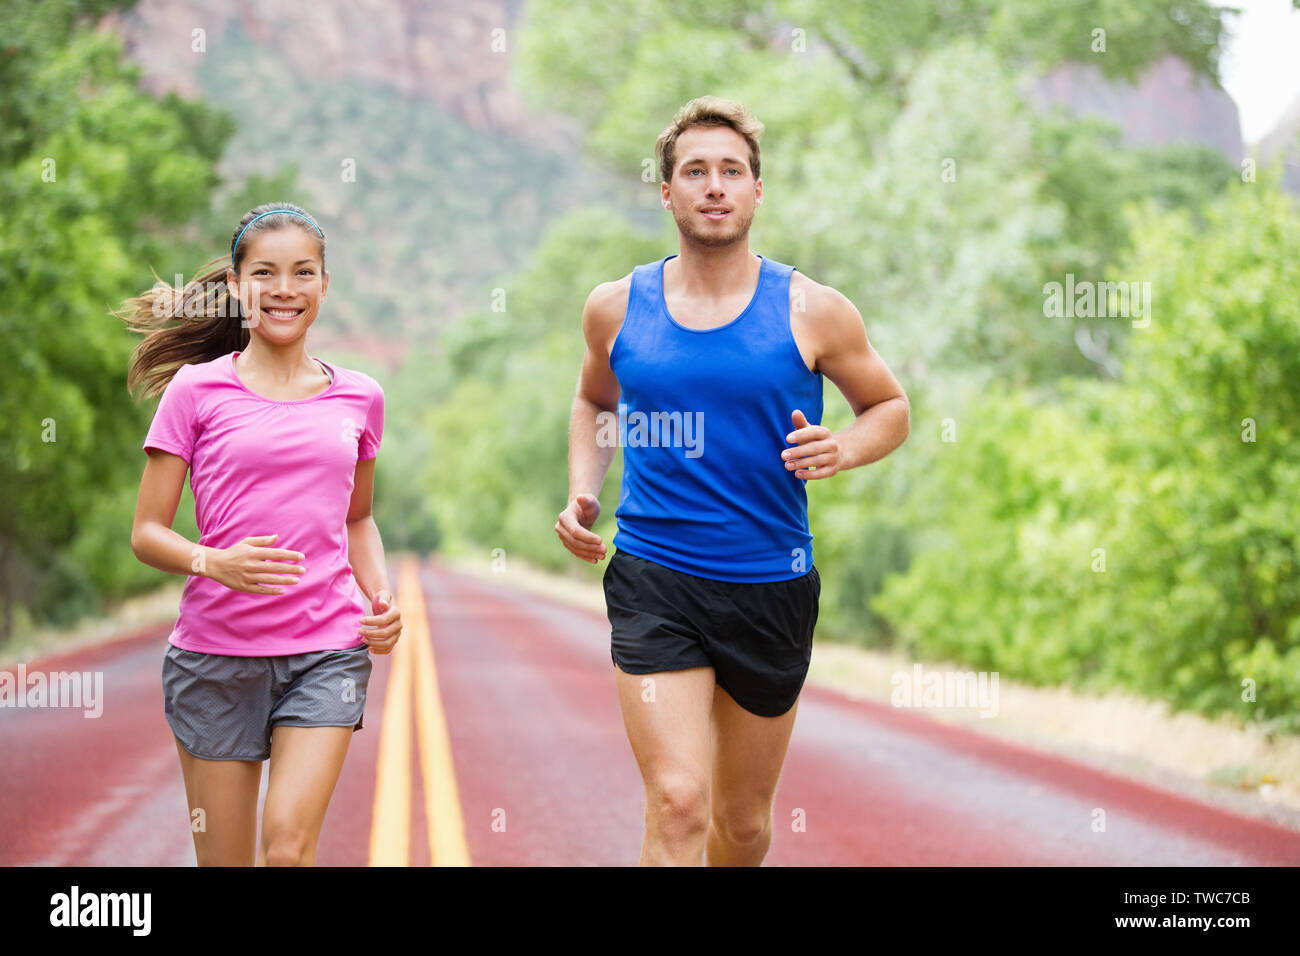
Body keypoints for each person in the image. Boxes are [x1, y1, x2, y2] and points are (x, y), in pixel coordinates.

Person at [556, 97, 910, 866]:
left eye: (732, 171)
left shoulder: (813, 310)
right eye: (695, 171)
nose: (714, 185)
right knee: (680, 802)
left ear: (756, 191)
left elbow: (889, 407)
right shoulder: (616, 308)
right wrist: (585, 486)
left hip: (770, 585)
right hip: (655, 578)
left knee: (742, 825)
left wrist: (843, 449)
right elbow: (593, 398)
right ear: (666, 193)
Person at [120, 203, 402, 866]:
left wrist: (381, 598)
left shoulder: (359, 396)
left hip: (325, 652)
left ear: (324, 286)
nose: (285, 288)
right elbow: (146, 532)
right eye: (267, 273)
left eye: (303, 272)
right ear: (239, 286)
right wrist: (213, 562)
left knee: (286, 849)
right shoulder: (195, 391)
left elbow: (357, 518)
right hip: (215, 659)